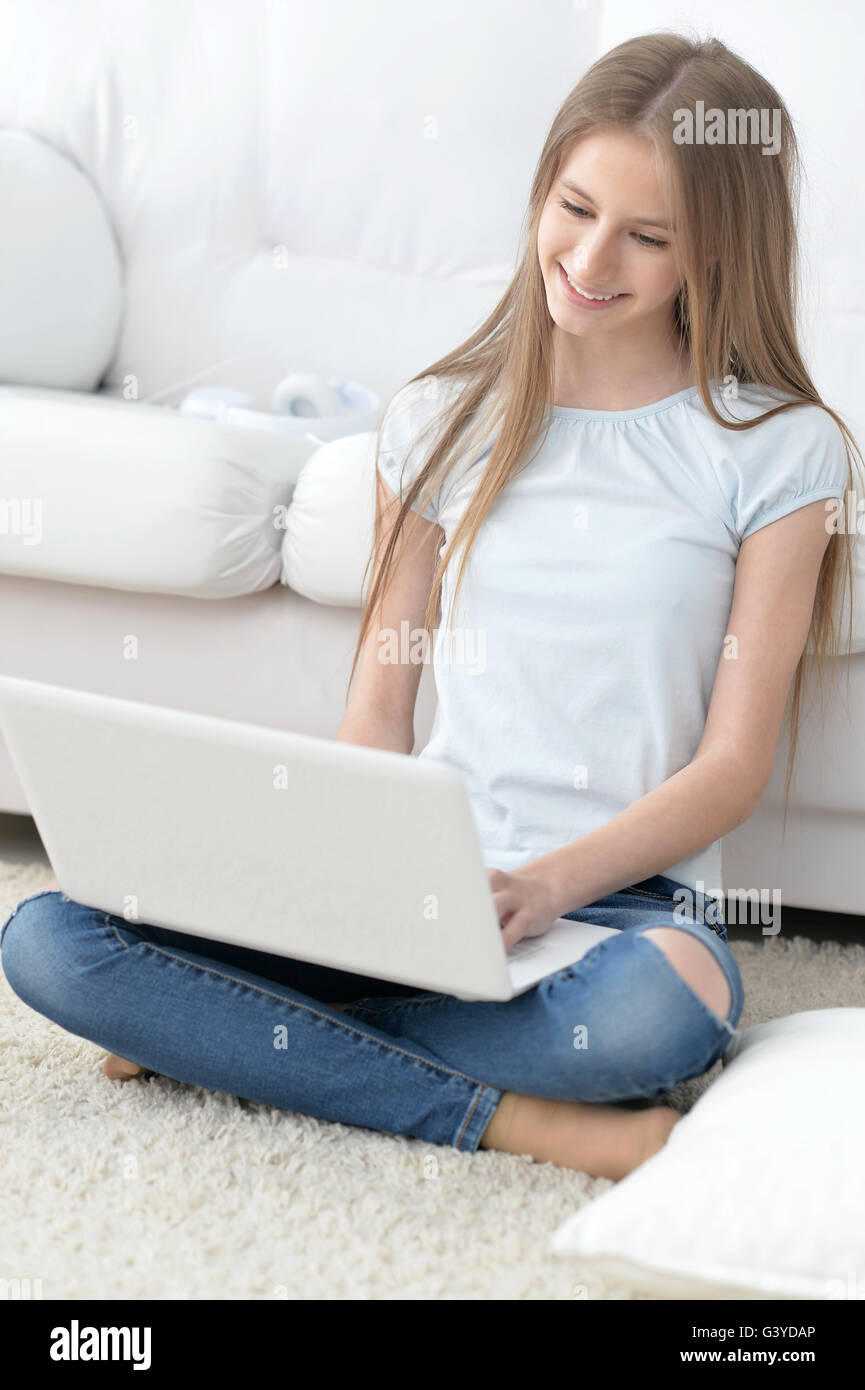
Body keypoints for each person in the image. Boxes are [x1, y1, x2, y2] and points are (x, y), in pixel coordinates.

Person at [2, 32, 861, 1182]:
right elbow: (379, 712)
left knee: (669, 1012)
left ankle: (234, 1041)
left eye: (647, 237)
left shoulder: (775, 451)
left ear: (713, 253)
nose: (591, 257)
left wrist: (546, 887)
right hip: (414, 889)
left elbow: (731, 765)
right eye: (573, 205)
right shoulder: (438, 420)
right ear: (540, 187)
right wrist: (346, 886)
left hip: (613, 914)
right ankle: (509, 1115)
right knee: (50, 938)